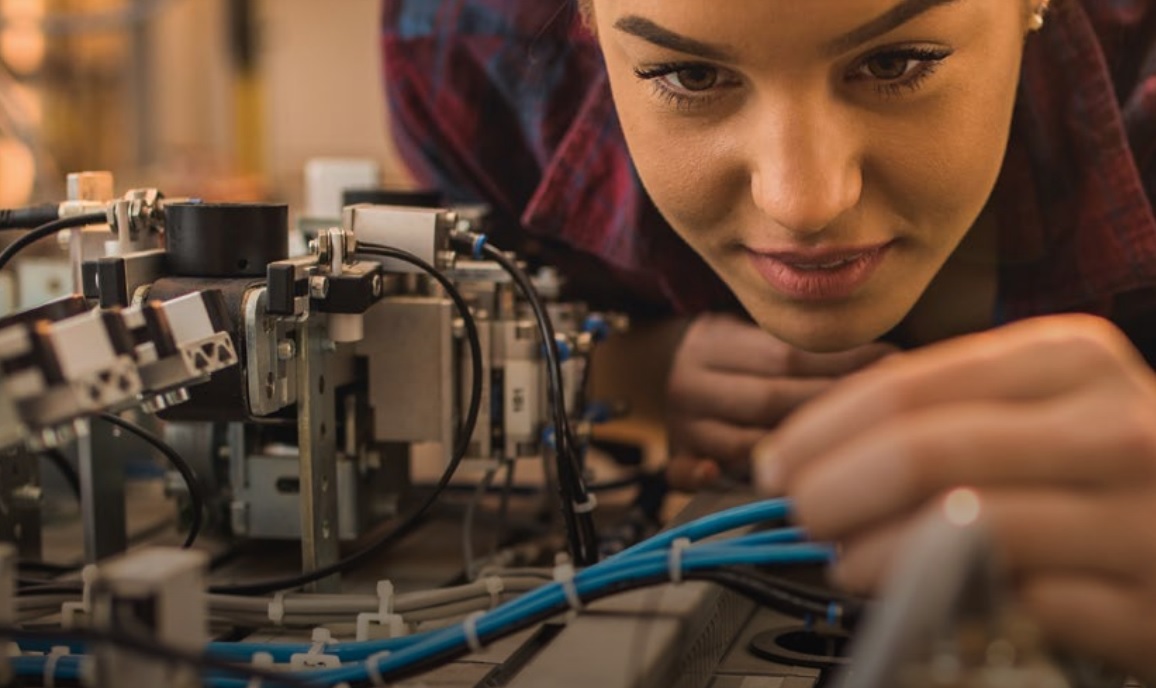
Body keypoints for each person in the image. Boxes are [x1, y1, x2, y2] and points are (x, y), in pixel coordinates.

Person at [382, 0, 1156, 679]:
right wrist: (637, 371)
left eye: (894, 61)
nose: (803, 203)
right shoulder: (463, 51)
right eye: (688, 76)